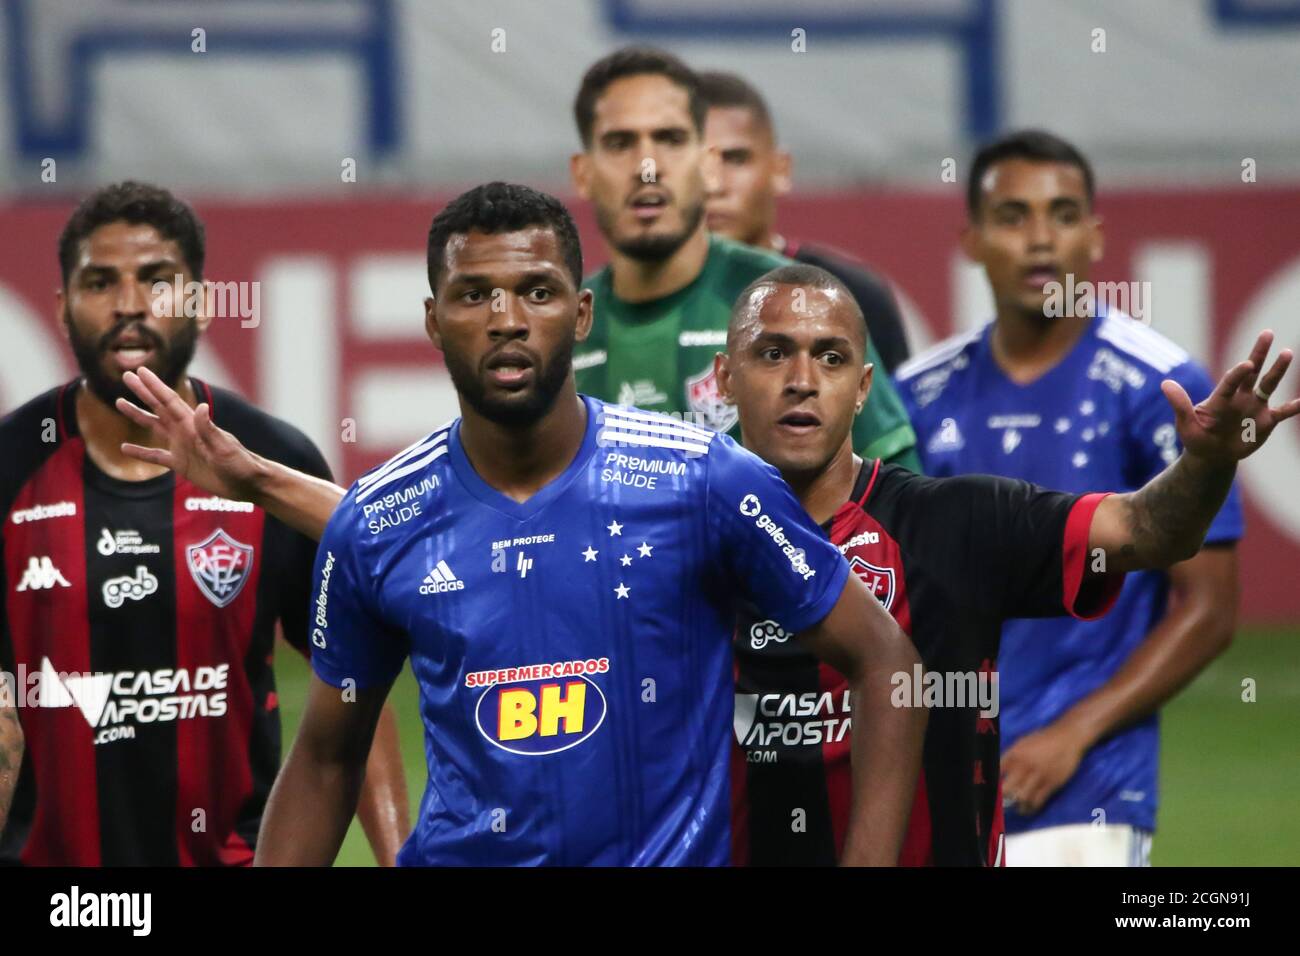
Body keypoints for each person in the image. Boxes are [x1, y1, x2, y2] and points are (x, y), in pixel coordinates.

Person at [113, 182, 927, 867]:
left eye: (535, 292)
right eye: (475, 295)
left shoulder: (704, 480)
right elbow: (328, 757)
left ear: (579, 315)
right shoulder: (377, 521)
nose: (506, 319)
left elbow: (884, 657)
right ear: (434, 322)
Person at [716, 264, 1295, 865]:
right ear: (725, 378)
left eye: (831, 358)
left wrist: (1206, 465)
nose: (803, 380)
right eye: (774, 352)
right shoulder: (683, 538)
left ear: (865, 387)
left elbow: (1146, 532)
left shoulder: (959, 525)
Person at [0, 182, 408, 866]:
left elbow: (354, 691)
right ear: (63, 307)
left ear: (201, 301)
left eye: (156, 280)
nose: (130, 302)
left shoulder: (272, 464)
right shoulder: (10, 467)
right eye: (101, 282)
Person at [896, 130, 1246, 866]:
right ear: (972, 240)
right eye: (1013, 216)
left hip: (1085, 790)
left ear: (1095, 237)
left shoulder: (1161, 384)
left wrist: (1075, 732)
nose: (1040, 239)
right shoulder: (918, 393)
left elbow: (1210, 608)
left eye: (1062, 214)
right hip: (941, 777)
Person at [569, 46, 921, 470]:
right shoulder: (559, 325)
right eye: (620, 142)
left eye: (670, 139)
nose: (647, 167)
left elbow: (897, 497)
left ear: (709, 166)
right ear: (582, 173)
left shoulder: (799, 302)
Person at [698, 69, 912, 375]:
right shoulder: (629, 303)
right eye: (697, 164)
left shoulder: (854, 294)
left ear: (780, 170)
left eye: (735, 159)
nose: (713, 185)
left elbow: (894, 421)